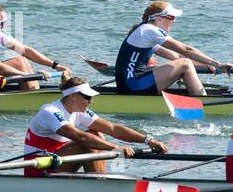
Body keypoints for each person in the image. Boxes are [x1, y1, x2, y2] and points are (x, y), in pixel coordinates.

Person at [22, 76, 166, 177]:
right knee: (86, 142)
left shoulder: (79, 111)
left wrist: (148, 140)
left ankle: (97, 178)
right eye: (88, 97)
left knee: (97, 134)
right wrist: (114, 148)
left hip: (59, 161)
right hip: (39, 168)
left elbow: (113, 128)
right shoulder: (50, 111)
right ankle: (99, 182)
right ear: (73, 96)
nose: (91, 102)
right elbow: (80, 137)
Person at [114, 0, 233, 96]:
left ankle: (197, 95)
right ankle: (204, 104)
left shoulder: (145, 31)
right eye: (172, 17)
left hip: (130, 83)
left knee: (182, 63)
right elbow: (186, 51)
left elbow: (176, 56)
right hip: (133, 86)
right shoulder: (149, 30)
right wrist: (218, 63)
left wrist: (211, 66)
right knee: (185, 64)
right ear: (159, 18)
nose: (174, 21)